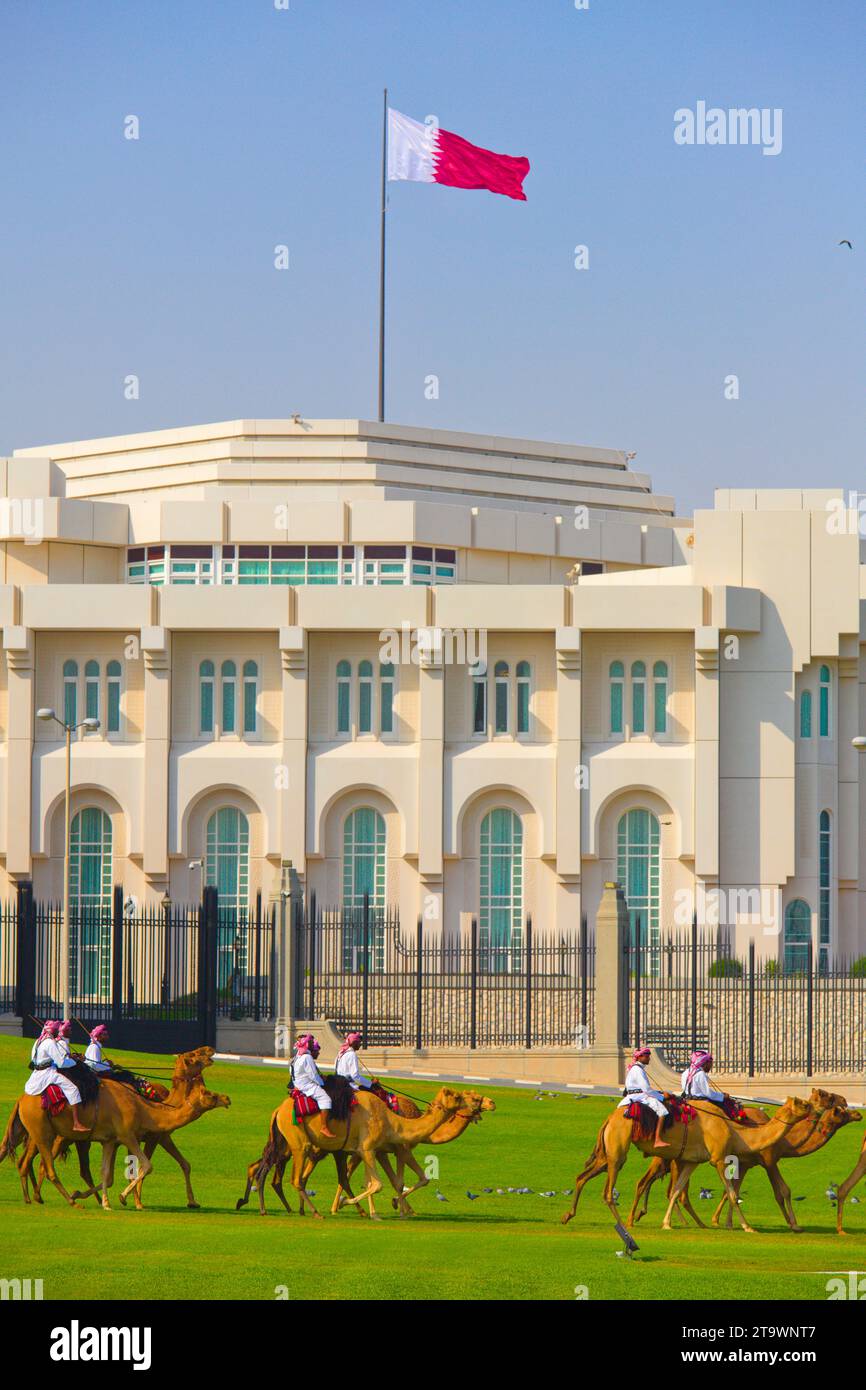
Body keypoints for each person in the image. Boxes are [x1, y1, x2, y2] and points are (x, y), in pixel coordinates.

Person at [24, 1020, 90, 1132]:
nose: (58, 1033)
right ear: (53, 1031)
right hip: (48, 1073)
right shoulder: (50, 1042)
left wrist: (71, 1058)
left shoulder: (38, 1041)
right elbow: (61, 1063)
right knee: (73, 1089)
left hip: (36, 1074)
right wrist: (76, 1061)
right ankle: (76, 1123)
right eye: (56, 1031)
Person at [617, 1046, 669, 1150]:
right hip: (640, 1096)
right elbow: (647, 1090)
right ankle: (657, 1139)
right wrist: (661, 1097)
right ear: (640, 1057)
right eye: (647, 1056)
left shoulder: (634, 1069)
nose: (649, 1058)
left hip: (631, 1096)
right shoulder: (638, 1070)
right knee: (663, 1112)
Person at [291, 1034, 335, 1138]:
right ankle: (324, 1127)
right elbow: (313, 1075)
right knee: (326, 1099)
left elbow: (291, 1072)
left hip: (298, 1084)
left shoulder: (297, 1056)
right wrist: (323, 1084)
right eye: (310, 1043)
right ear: (306, 1044)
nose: (312, 1044)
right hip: (307, 1086)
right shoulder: (307, 1057)